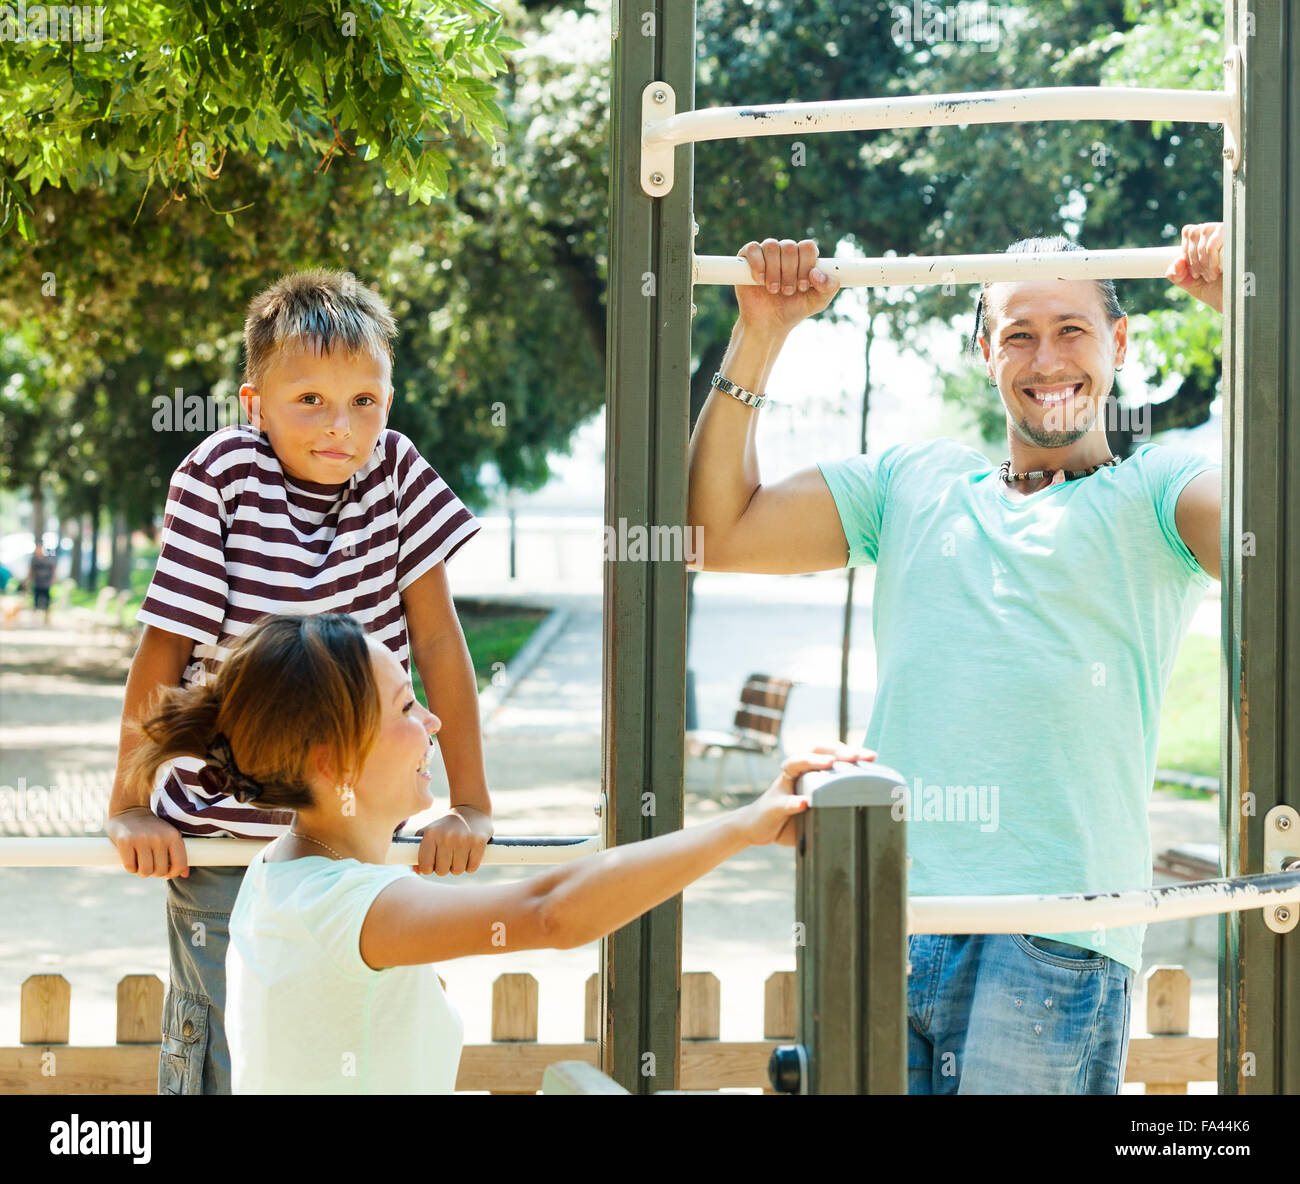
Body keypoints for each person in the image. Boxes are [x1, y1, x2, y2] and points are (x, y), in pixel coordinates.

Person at [686, 224, 1225, 1094]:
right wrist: (761, 333)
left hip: (1054, 936)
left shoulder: (1156, 493)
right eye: (1018, 334)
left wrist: (1256, 320)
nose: (1047, 358)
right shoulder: (916, 482)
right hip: (887, 919)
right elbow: (714, 531)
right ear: (985, 351)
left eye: (1072, 329)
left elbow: (1274, 534)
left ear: (1120, 342)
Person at [124, 611, 859, 1093]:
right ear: (332, 763)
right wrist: (749, 824)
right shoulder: (338, 906)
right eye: (406, 708)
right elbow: (548, 914)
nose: (435, 719)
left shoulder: (278, 878)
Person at [105, 269, 494, 1095]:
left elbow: (437, 638)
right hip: (224, 841)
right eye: (309, 399)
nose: (340, 427)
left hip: (359, 838)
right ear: (254, 403)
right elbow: (165, 649)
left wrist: (470, 801)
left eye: (365, 401)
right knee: (227, 1048)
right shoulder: (221, 477)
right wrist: (131, 802)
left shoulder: (395, 473)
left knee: (368, 1032)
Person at [27, 541, 56, 625]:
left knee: (47, 599)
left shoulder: (49, 559)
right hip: (37, 582)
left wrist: (53, 579)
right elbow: (31, 570)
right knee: (36, 599)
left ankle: (47, 618)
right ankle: (34, 618)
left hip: (46, 583)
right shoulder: (34, 559)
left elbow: (53, 569)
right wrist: (28, 580)